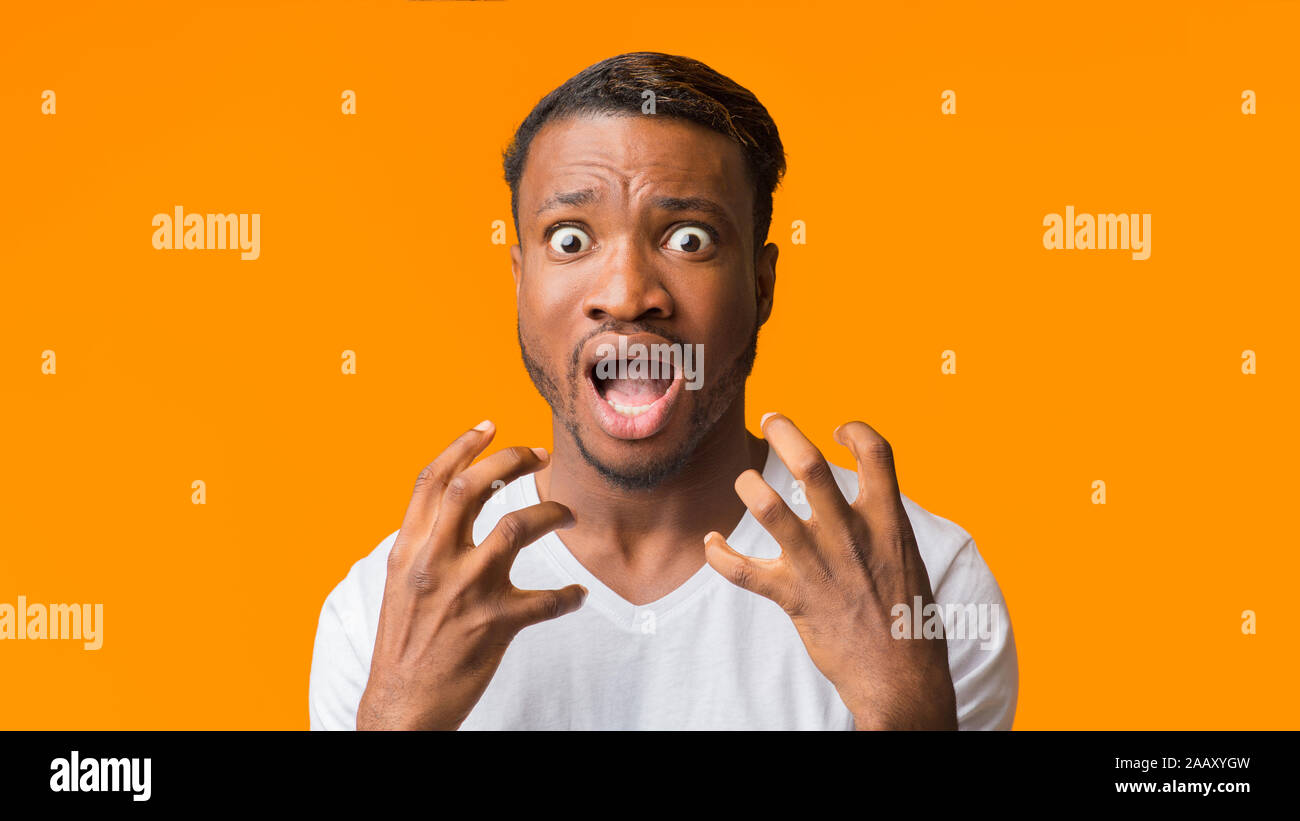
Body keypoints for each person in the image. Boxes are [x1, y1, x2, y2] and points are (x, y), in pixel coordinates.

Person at [309, 51, 1017, 730]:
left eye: (688, 239)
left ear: (762, 286)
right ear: (519, 282)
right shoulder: (383, 612)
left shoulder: (921, 584)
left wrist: (902, 708)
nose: (625, 294)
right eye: (569, 239)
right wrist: (396, 720)